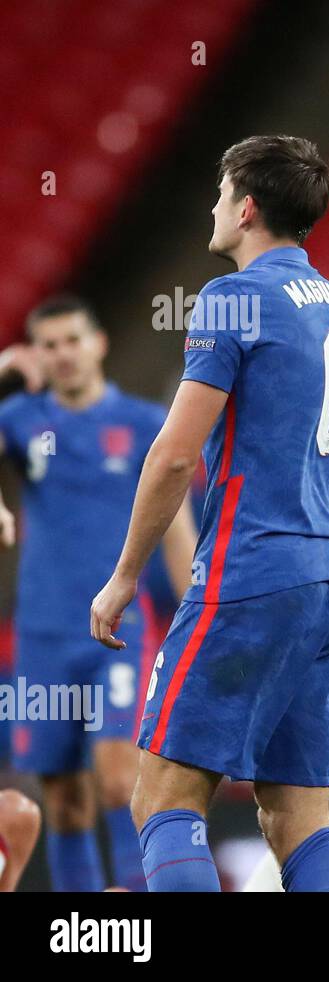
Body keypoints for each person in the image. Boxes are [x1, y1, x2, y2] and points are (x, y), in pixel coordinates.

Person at [90, 134, 329, 892]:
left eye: (220, 193)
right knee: (299, 816)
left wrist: (122, 579)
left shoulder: (233, 298)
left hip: (252, 572)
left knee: (164, 796)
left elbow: (174, 457)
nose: (212, 208)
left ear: (246, 207)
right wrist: (318, 579)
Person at [0, 297, 198, 891]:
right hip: (40, 634)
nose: (63, 354)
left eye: (72, 340)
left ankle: (135, 906)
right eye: (49, 345)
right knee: (62, 800)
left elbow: (177, 527)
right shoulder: (21, 420)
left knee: (119, 782)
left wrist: (196, 619)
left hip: (117, 629)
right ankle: (82, 924)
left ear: (99, 343)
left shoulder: (143, 424)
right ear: (38, 354)